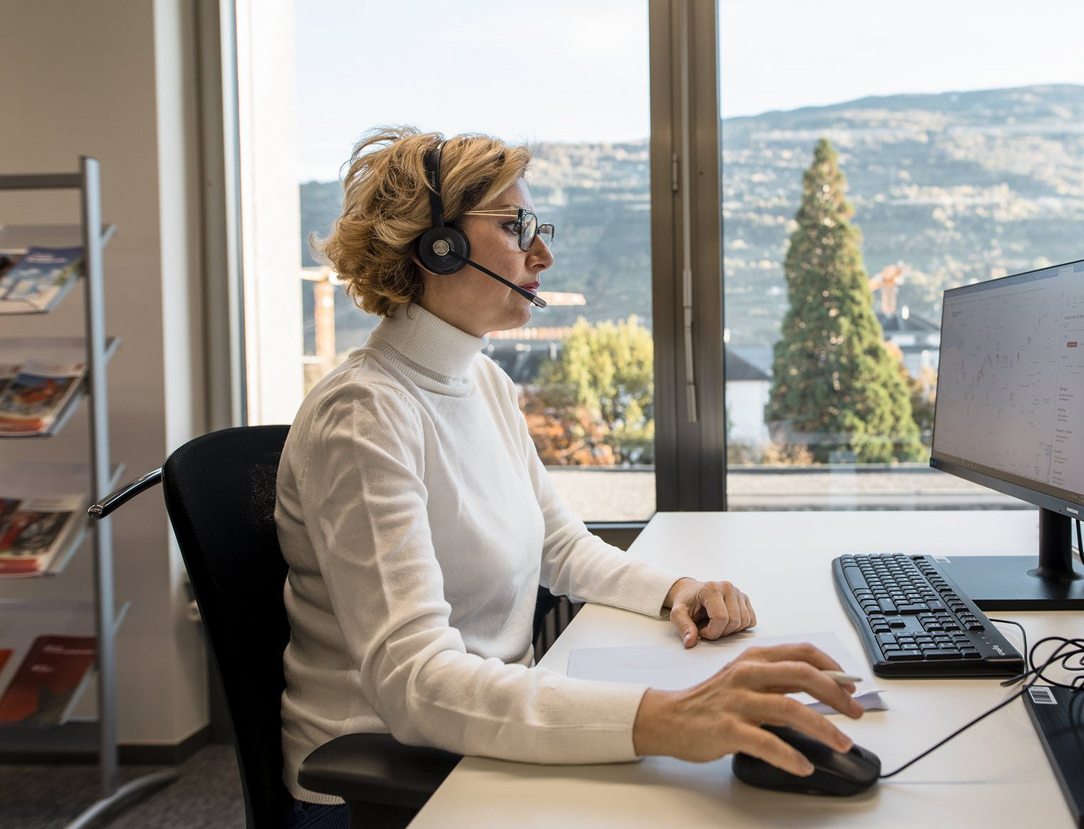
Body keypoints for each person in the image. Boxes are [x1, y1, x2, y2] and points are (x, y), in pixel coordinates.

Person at [275, 127, 863, 829]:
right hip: (381, 777)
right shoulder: (363, 417)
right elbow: (417, 683)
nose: (542, 254)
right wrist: (667, 718)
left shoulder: (482, 382)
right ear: (438, 247)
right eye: (515, 225)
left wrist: (677, 591)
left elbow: (559, 545)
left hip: (474, 738)